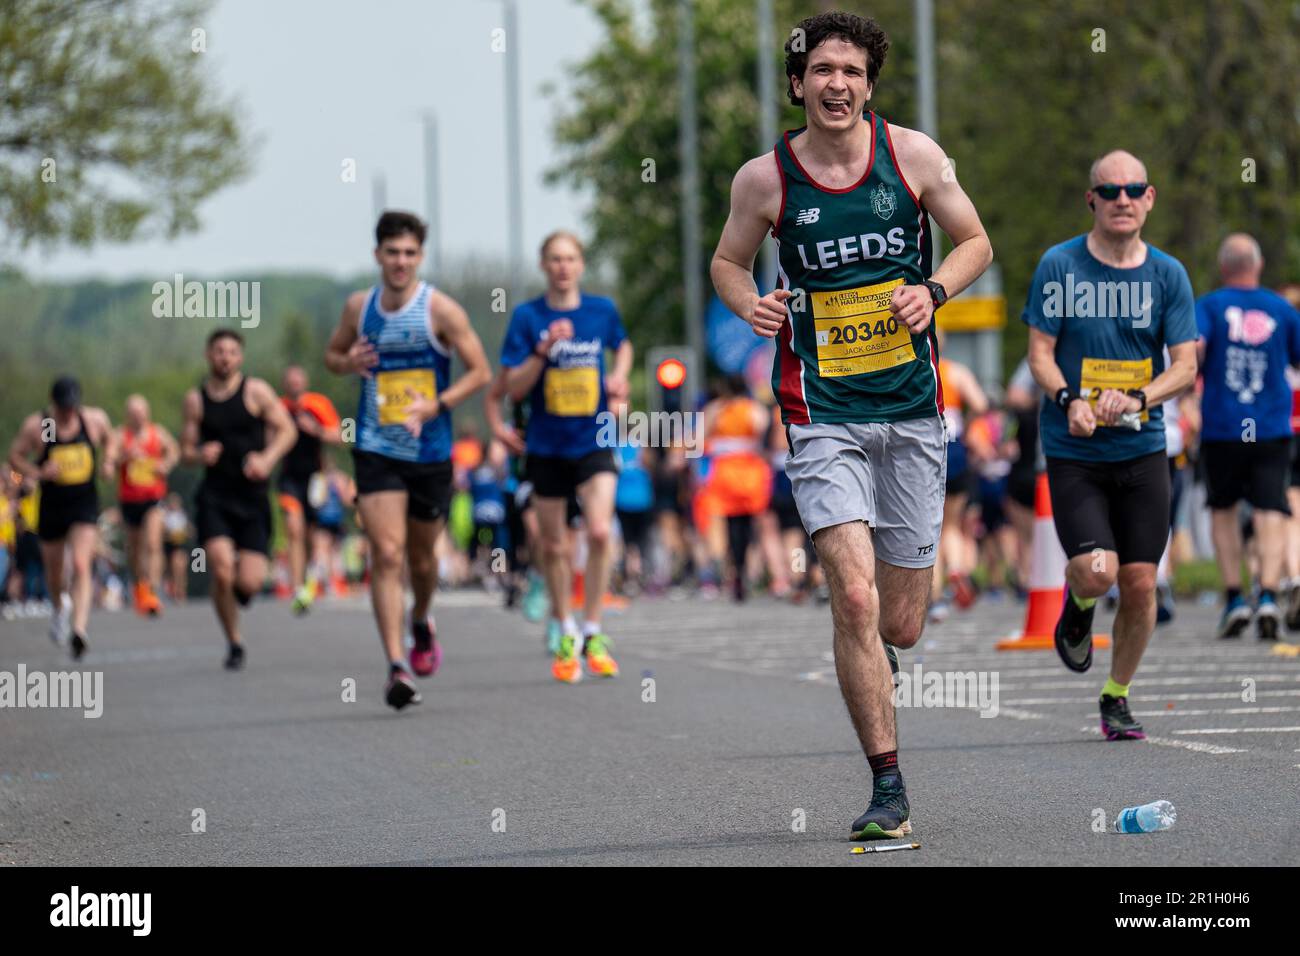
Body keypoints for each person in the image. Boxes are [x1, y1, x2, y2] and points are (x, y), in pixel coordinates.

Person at [711, 11, 992, 838]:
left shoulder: (913, 157)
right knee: (856, 597)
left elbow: (975, 239)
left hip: (909, 406)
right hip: (819, 411)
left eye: (853, 72)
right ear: (798, 85)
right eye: (823, 70)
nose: (838, 84)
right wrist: (749, 299)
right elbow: (728, 260)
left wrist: (933, 290)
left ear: (870, 85)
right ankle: (889, 789)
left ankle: (883, 649)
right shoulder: (763, 181)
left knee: (901, 619)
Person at [1024, 149, 1197, 740]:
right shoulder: (1059, 266)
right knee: (1098, 572)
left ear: (1149, 199)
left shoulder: (1168, 275)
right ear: (1091, 200)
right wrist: (1070, 398)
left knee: (1142, 582)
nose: (1122, 198)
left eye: (1134, 189)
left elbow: (1185, 366)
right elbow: (1040, 354)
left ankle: (1117, 695)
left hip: (1143, 446)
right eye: (1110, 189)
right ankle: (1078, 607)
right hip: (1076, 450)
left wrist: (1143, 398)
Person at [325, 210, 490, 709]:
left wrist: (437, 404)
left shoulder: (440, 310)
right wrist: (347, 362)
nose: (400, 261)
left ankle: (420, 618)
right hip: (377, 448)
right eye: (392, 252)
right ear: (378, 255)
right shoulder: (360, 307)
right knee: (387, 554)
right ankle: (396, 666)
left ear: (420, 257)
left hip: (431, 452)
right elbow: (332, 356)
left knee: (421, 560)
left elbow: (479, 371)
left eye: (409, 253)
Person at [501, 230, 633, 683]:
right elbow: (513, 387)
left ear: (581, 265)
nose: (563, 266)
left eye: (571, 258)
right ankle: (565, 628)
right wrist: (543, 352)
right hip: (545, 445)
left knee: (598, 532)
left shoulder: (601, 311)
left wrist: (618, 379)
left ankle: (593, 629)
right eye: (555, 259)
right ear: (543, 265)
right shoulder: (526, 317)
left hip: (594, 439)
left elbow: (625, 345)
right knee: (554, 545)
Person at [1195, 234, 1300, 641]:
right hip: (1271, 426)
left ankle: (1236, 598)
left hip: (1223, 426)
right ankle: (1270, 594)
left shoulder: (1210, 305)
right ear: (1256, 266)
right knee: (1270, 508)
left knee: (1223, 509)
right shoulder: (1281, 309)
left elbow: (1195, 349)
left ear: (1224, 269)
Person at [181, 329, 297, 670]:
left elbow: (288, 429)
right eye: (219, 351)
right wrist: (200, 453)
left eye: (231, 352)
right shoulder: (196, 399)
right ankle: (234, 641)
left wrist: (267, 459)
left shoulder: (257, 391)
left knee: (247, 583)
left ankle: (241, 594)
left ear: (240, 357)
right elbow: (185, 451)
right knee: (219, 568)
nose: (225, 357)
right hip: (215, 496)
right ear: (208, 354)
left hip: (253, 497)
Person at [7, 376, 115, 658]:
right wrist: (38, 473)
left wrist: (108, 462)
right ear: (53, 404)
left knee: (81, 563)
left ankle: (79, 629)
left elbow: (110, 440)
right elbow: (15, 457)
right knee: (55, 572)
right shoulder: (41, 425)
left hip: (84, 503)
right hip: (52, 505)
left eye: (72, 407)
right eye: (63, 408)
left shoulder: (92, 420)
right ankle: (59, 608)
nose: (68, 413)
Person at [699, 377, 772, 602]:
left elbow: (700, 436)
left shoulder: (716, 409)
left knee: (730, 524)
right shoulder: (755, 409)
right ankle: (744, 568)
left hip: (724, 473)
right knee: (748, 524)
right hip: (751, 473)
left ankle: (735, 569)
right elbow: (763, 434)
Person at [277, 367, 343, 615]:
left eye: (298, 381)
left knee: (311, 533)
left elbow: (341, 435)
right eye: (290, 381)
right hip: (288, 478)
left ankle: (309, 579)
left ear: (304, 383)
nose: (294, 385)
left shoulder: (318, 404)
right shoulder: (278, 406)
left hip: (315, 477)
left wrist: (315, 429)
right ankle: (296, 587)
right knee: (293, 528)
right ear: (284, 384)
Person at [113, 395, 180, 617]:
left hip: (153, 498)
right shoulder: (120, 436)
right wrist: (125, 456)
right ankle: (139, 587)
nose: (139, 417)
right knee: (134, 549)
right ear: (128, 415)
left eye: (142, 412)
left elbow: (174, 451)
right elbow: (109, 461)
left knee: (152, 543)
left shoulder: (157, 433)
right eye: (134, 413)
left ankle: (153, 591)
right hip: (130, 500)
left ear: (147, 413)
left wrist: (165, 464)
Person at [161, 492, 192, 602]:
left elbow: (190, 531)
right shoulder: (164, 515)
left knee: (180, 568)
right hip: (168, 545)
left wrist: (184, 533)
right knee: (171, 570)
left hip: (180, 545)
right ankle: (173, 591)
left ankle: (181, 592)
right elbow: (161, 531)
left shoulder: (182, 515)